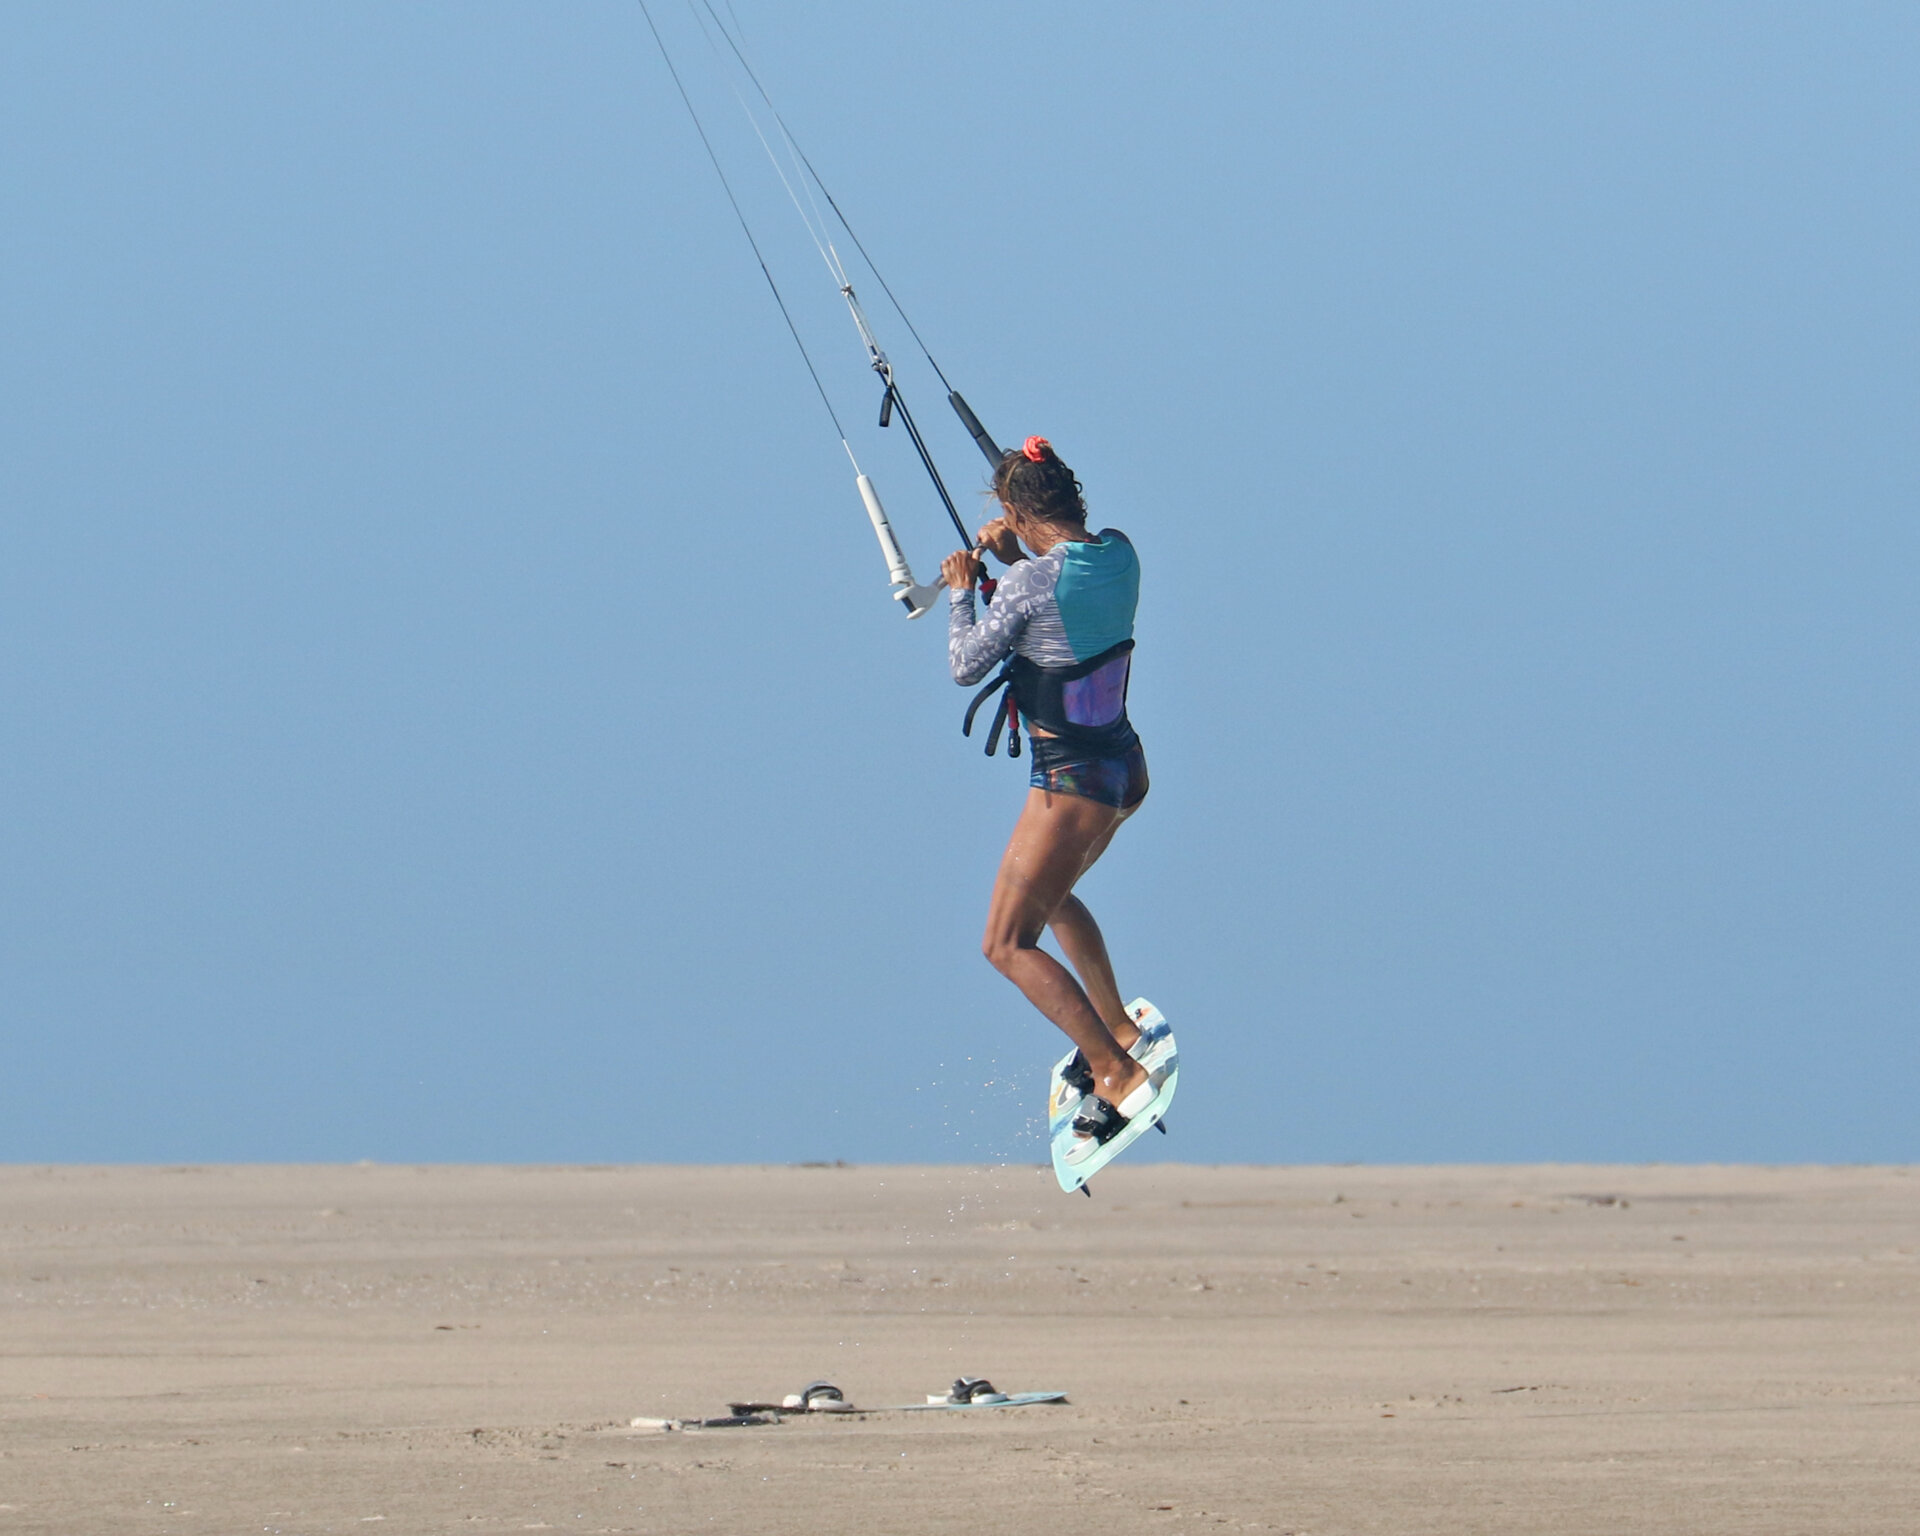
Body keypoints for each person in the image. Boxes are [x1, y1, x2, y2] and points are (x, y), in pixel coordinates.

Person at [940, 436, 1156, 1159]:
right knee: (1054, 897)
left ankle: (1115, 1071)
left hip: (1071, 789)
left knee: (1005, 943)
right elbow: (1059, 597)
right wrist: (1012, 554)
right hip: (1125, 772)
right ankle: (1117, 1027)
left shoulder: (1030, 582)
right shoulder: (1120, 551)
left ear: (1010, 510)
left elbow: (967, 664)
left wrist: (965, 584)